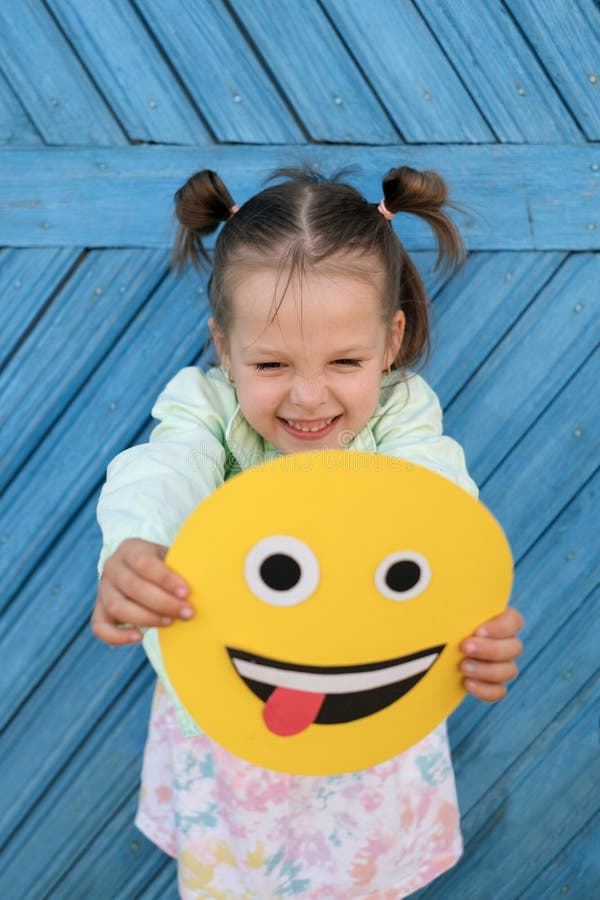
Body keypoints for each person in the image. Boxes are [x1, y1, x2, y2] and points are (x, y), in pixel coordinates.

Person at [93, 165, 523, 898]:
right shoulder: (206, 414)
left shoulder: (401, 421)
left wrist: (470, 620)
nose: (309, 396)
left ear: (391, 340)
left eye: (345, 362)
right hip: (232, 734)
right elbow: (162, 471)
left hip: (373, 724)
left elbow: (441, 513)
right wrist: (136, 549)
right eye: (270, 364)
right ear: (223, 347)